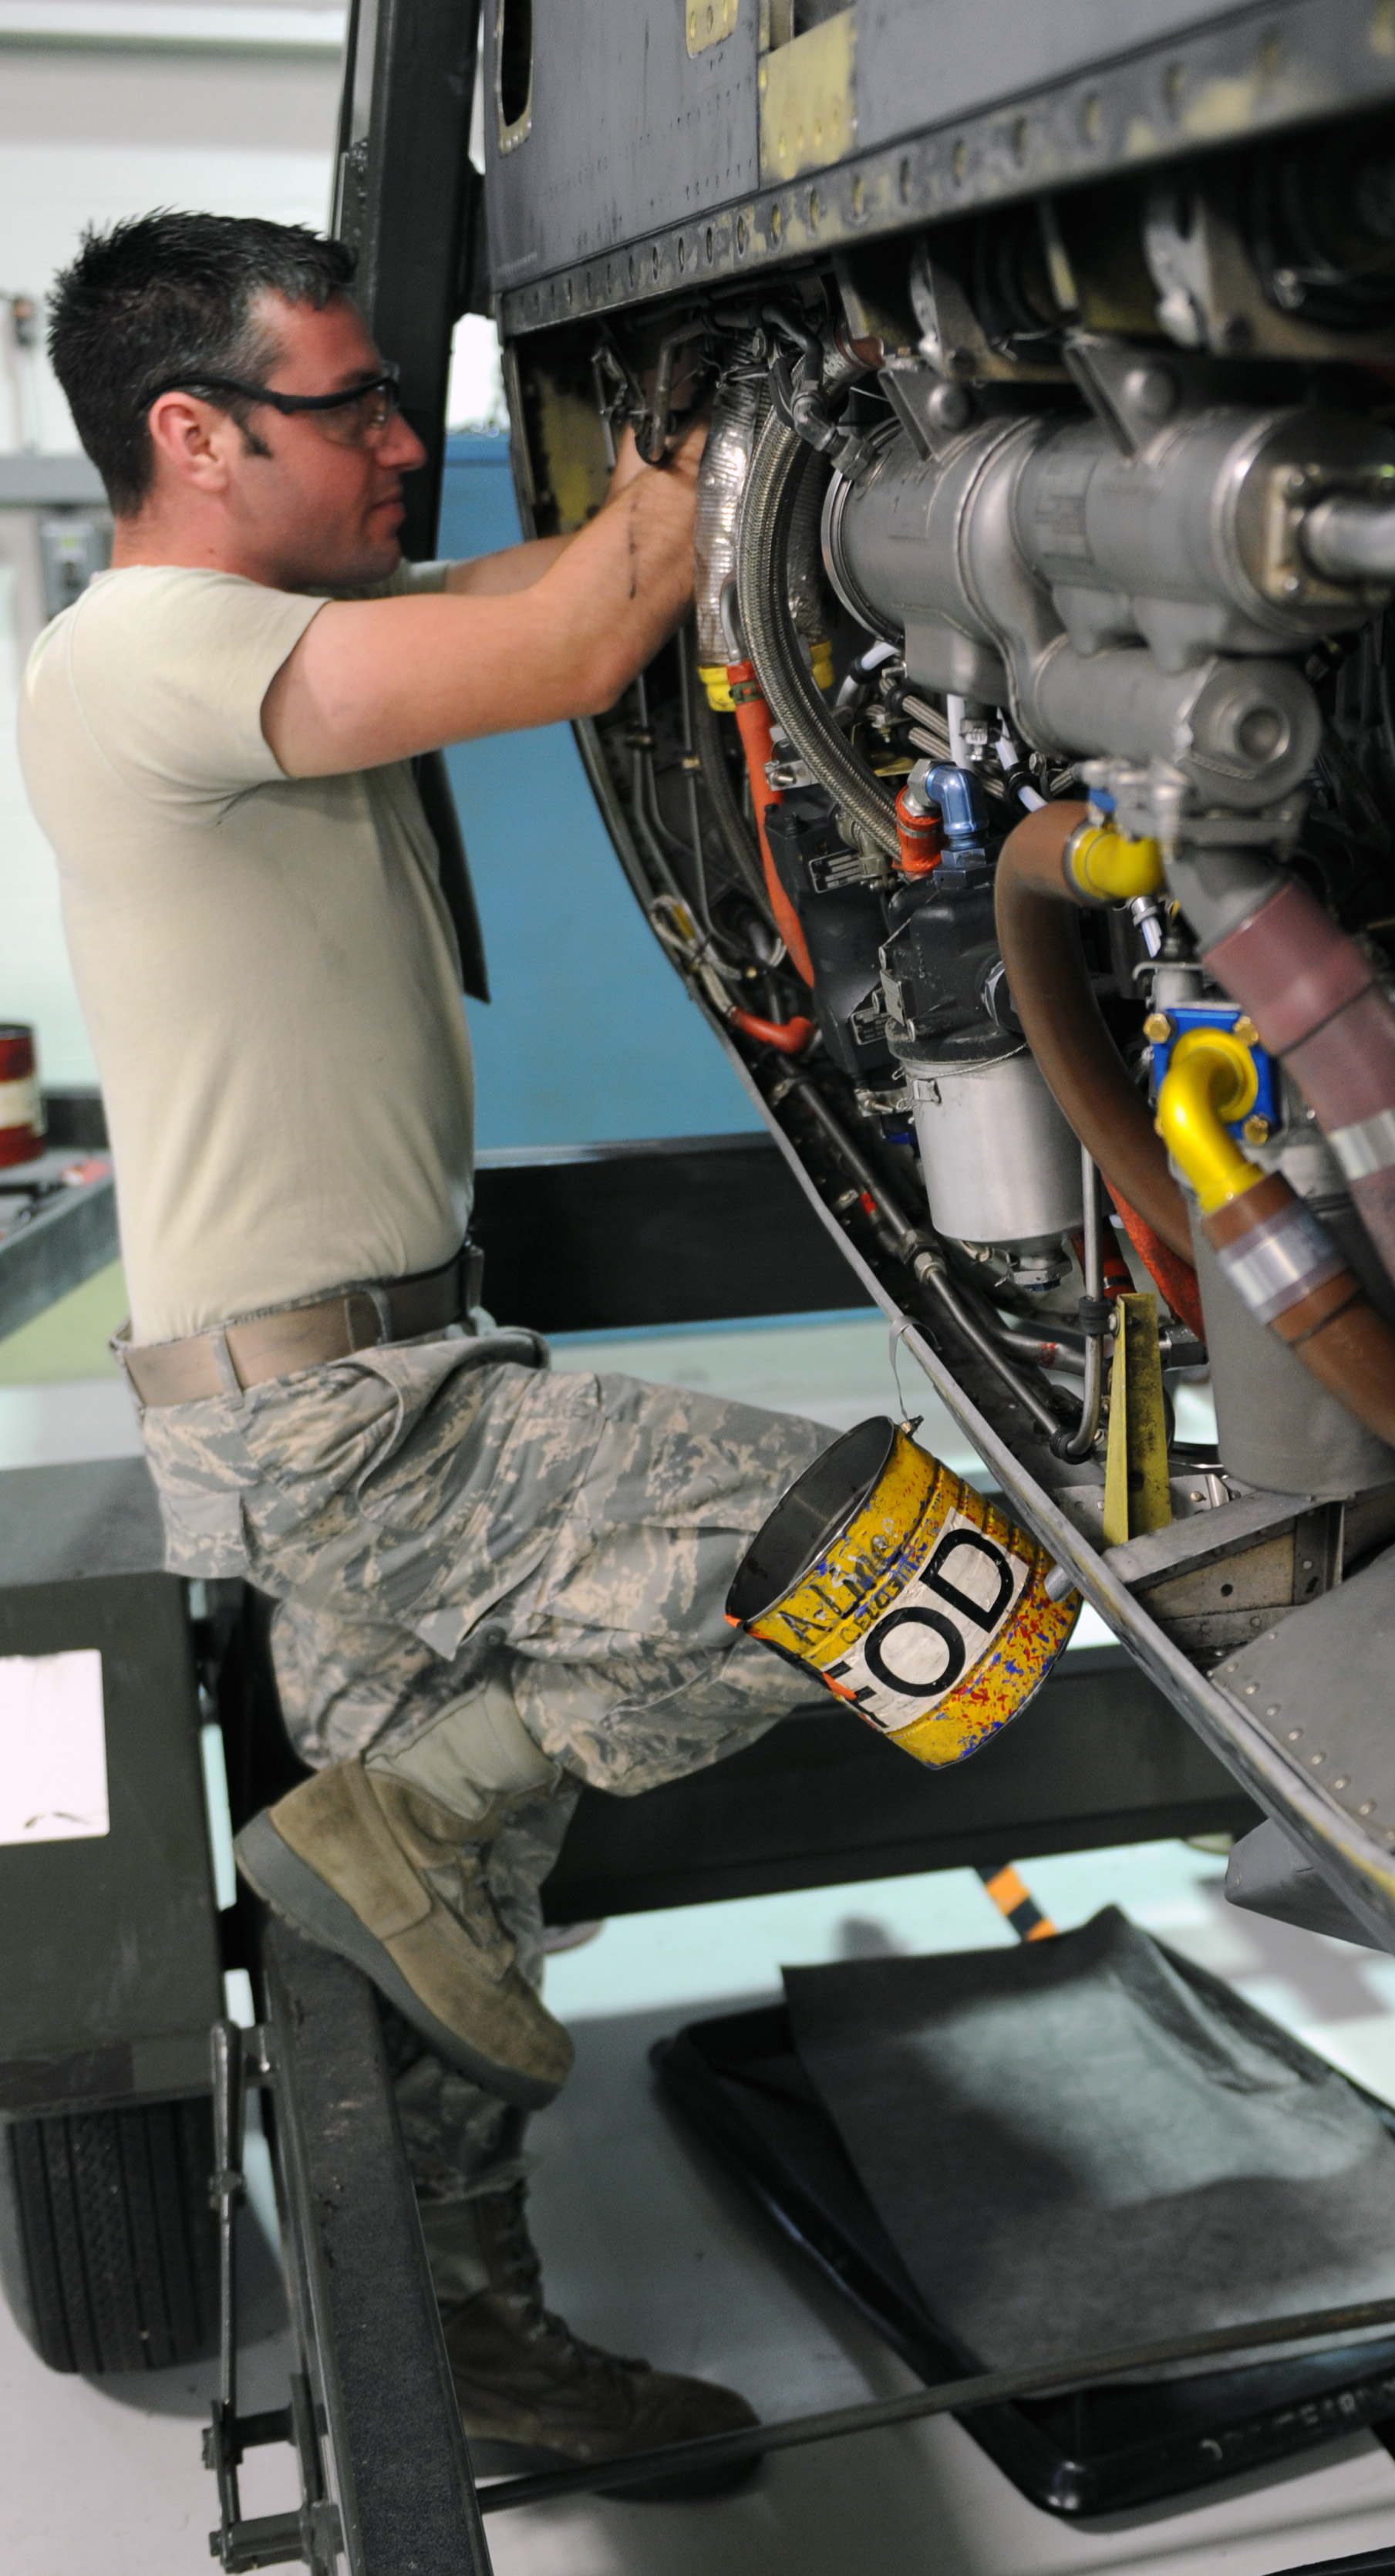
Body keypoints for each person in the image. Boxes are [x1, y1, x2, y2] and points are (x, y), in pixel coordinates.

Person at [19, 211, 836, 2491]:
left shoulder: (269, 625)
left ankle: (485, 2345)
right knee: (900, 1549)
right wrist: (746, 390)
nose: (404, 439)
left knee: (434, 1970)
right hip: (341, 1424)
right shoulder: (142, 656)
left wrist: (637, 505)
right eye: (352, 402)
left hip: (366, 1383)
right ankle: (411, 1804)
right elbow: (586, 634)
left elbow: (529, 586)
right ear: (193, 435)